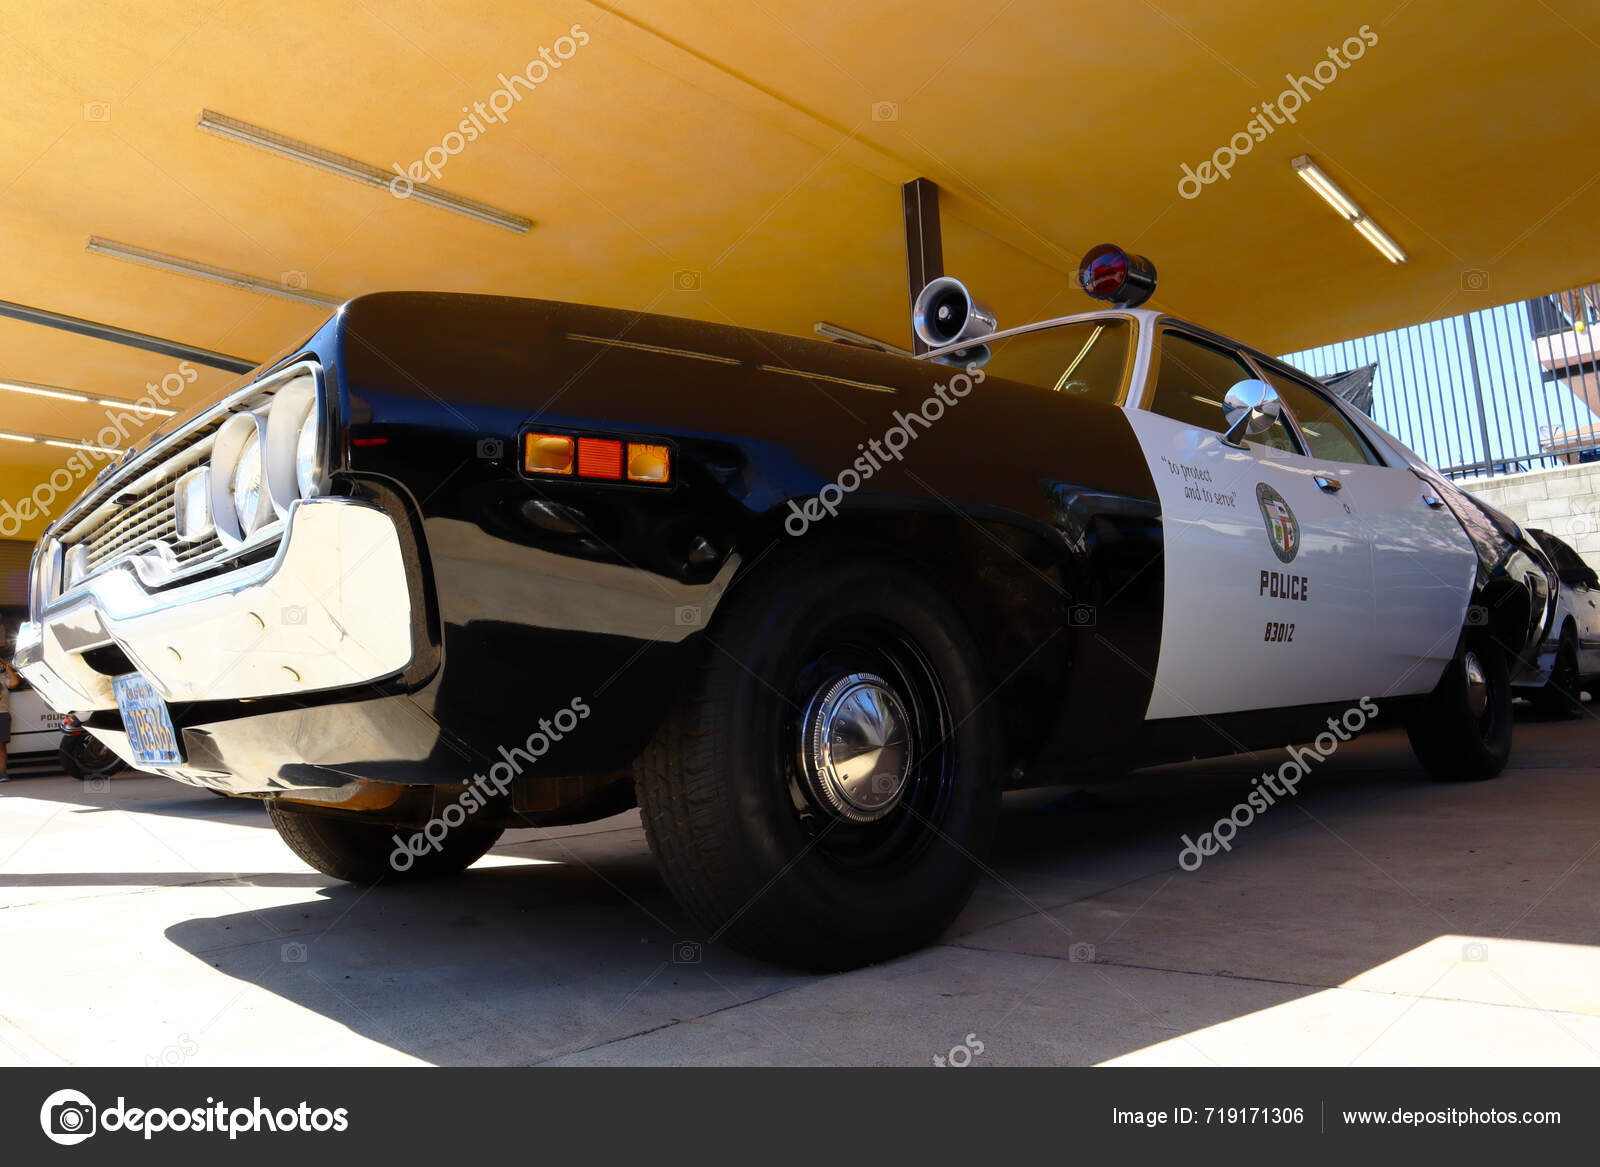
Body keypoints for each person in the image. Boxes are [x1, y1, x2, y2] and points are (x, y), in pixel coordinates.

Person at [0, 654, 19, 782]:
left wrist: (7, 667)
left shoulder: (3, 678)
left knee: (1, 746)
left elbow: (15, 682)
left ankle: (2, 774)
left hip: (2, 714)